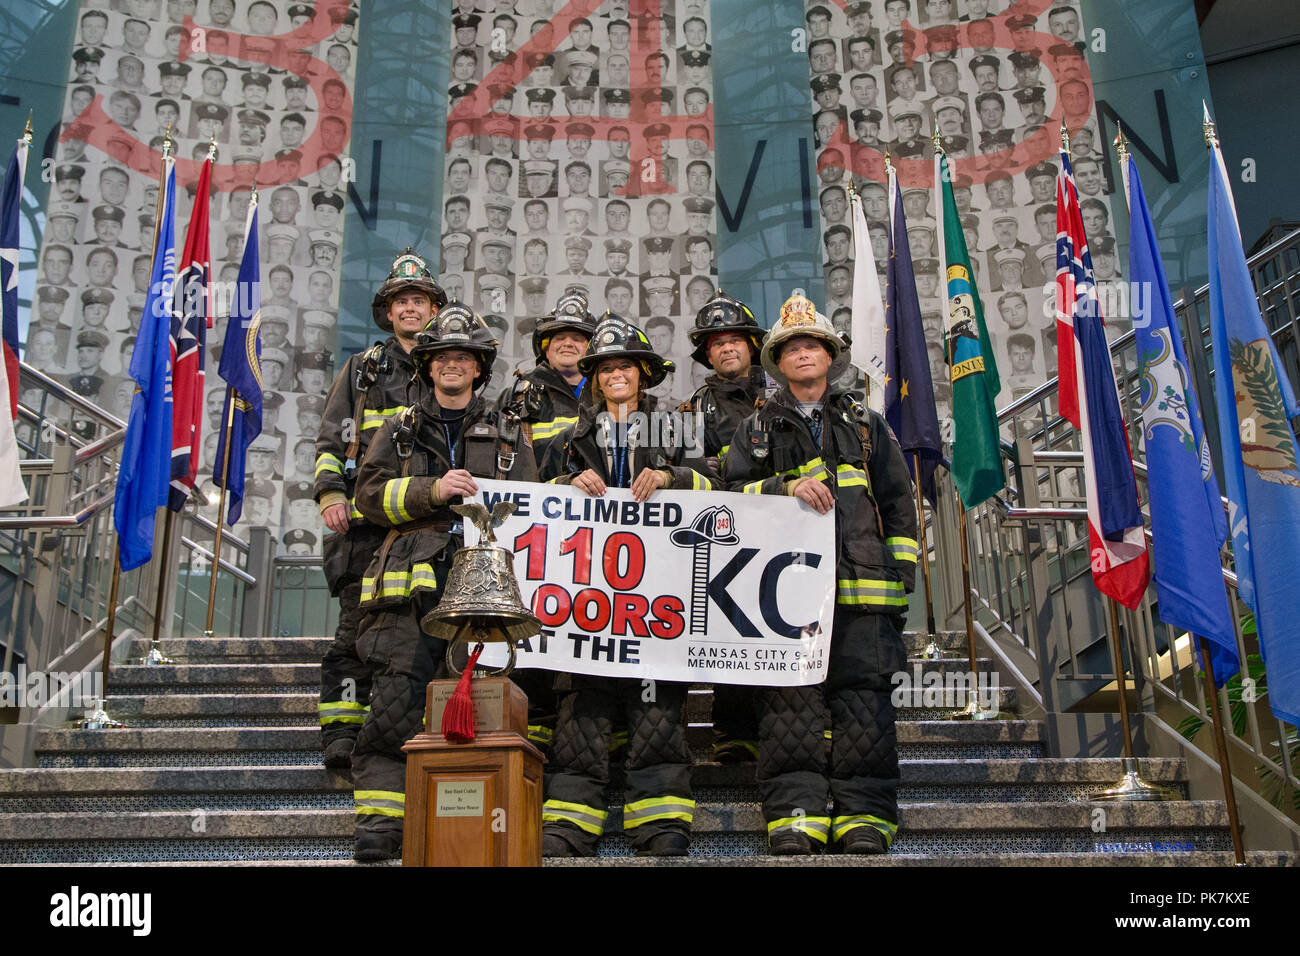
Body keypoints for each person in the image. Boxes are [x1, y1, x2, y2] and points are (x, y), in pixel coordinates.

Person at [724, 290, 918, 855]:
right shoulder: (755, 431)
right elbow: (730, 497)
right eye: (792, 348)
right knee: (790, 705)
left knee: (865, 707)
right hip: (784, 600)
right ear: (778, 363)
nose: (803, 354)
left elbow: (899, 504)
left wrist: (898, 575)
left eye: (813, 345)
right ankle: (795, 819)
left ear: (830, 356)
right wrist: (782, 487)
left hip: (864, 596)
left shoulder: (867, 426)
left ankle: (864, 820)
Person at [348, 300, 536, 862]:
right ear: (427, 367)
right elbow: (366, 497)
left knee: (479, 702)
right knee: (395, 700)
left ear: (479, 368)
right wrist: (432, 491)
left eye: (464, 357)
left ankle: (472, 820)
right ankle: (381, 819)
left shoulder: (508, 429)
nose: (452, 365)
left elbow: (530, 501)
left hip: (484, 588)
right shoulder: (399, 428)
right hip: (408, 589)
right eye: (442, 357)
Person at [539, 315, 714, 859]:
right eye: (605, 367)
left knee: (657, 702)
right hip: (588, 596)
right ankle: (570, 822)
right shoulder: (573, 436)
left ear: (644, 373)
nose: (616, 375)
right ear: (594, 377)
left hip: (660, 593)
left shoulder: (679, 428)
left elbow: (718, 486)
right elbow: (531, 496)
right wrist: (567, 483)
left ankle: (660, 821)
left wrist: (671, 478)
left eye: (625, 366)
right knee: (582, 706)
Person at [313, 250, 445, 772]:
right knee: (354, 633)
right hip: (366, 527)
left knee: (415, 633)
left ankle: (406, 726)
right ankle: (342, 732)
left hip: (429, 530)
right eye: (401, 302)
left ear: (434, 309)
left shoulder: (453, 363)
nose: (410, 309)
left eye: (419, 300)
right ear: (388, 313)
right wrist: (330, 494)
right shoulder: (362, 370)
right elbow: (330, 439)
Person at [494, 290, 598, 751]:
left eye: (579, 337)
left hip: (603, 534)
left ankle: (593, 718)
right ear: (544, 345)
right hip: (542, 530)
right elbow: (505, 462)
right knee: (539, 616)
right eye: (559, 337)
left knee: (595, 618)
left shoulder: (614, 386)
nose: (569, 344)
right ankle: (535, 721)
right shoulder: (521, 393)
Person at [680, 291, 769, 762]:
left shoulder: (784, 392)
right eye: (716, 343)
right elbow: (700, 472)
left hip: (791, 537)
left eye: (735, 339)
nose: (726, 348)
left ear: (752, 345)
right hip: (728, 536)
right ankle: (735, 734)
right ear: (706, 354)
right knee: (732, 630)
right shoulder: (692, 410)